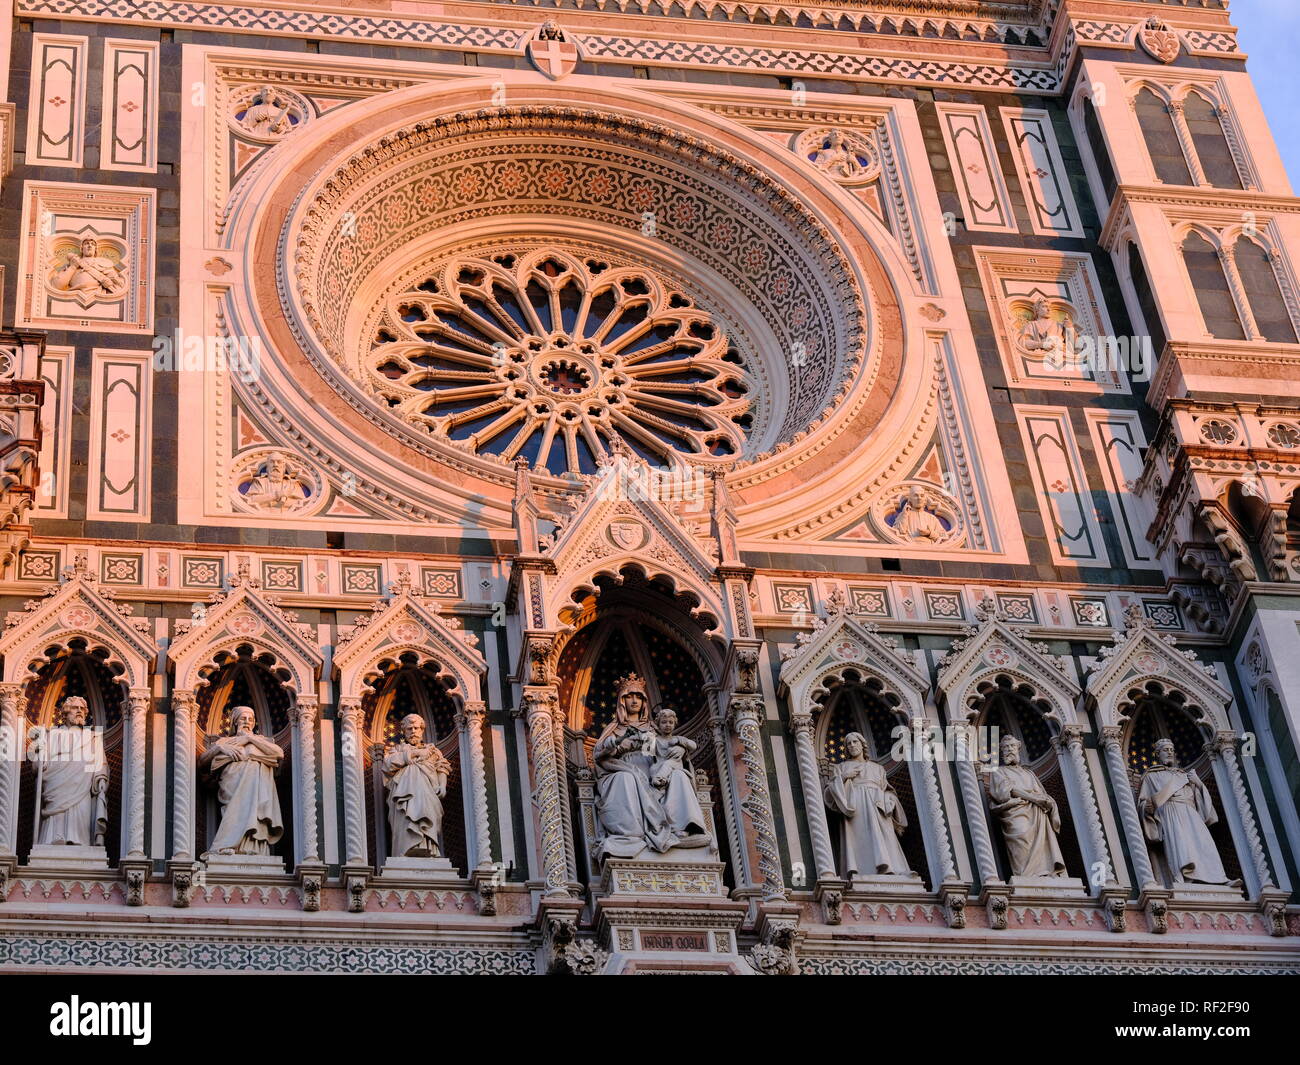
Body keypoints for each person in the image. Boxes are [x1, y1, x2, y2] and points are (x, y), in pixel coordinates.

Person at [823, 731, 912, 877]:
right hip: (855, 807)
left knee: (885, 838)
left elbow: (889, 791)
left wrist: (889, 799)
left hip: (878, 807)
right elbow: (828, 794)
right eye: (848, 744)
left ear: (862, 744)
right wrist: (844, 777)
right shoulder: (841, 768)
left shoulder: (878, 768)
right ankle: (863, 871)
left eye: (855, 742)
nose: (852, 745)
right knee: (860, 840)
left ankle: (892, 868)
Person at [199, 706, 284, 856]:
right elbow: (202, 762)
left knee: (253, 810)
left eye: (251, 719)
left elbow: (279, 753)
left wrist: (250, 739)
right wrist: (221, 749)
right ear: (235, 721)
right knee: (235, 810)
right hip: (232, 784)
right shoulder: (225, 741)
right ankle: (226, 845)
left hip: (257, 787)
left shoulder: (261, 741)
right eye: (243, 718)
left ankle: (254, 848)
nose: (247, 722)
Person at [27, 696, 108, 847]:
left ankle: (80, 841)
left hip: (83, 786)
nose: (79, 711)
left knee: (81, 815)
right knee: (56, 817)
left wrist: (101, 778)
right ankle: (52, 839)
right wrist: (39, 760)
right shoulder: (52, 735)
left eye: (82, 709)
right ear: (64, 713)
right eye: (75, 708)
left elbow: (100, 763)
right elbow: (38, 764)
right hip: (56, 784)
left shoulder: (93, 738)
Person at [986, 735, 1066, 877]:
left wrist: (1047, 800)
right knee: (1021, 838)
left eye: (1012, 746)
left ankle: (1045, 873)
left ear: (1018, 749)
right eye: (1005, 748)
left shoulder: (1028, 773)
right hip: (1016, 813)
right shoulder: (999, 772)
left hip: (1037, 814)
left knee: (1043, 846)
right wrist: (1034, 798)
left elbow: (1040, 792)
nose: (1009, 750)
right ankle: (1026, 875)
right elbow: (1006, 793)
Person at [382, 713, 452, 858]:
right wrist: (414, 755)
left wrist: (442, 785)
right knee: (405, 819)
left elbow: (442, 767)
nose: (413, 731)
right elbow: (388, 765)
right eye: (409, 729)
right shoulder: (397, 750)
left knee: (427, 813)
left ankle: (428, 847)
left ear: (422, 730)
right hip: (404, 794)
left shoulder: (433, 751)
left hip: (427, 792)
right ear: (404, 731)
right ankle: (406, 847)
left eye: (416, 728)